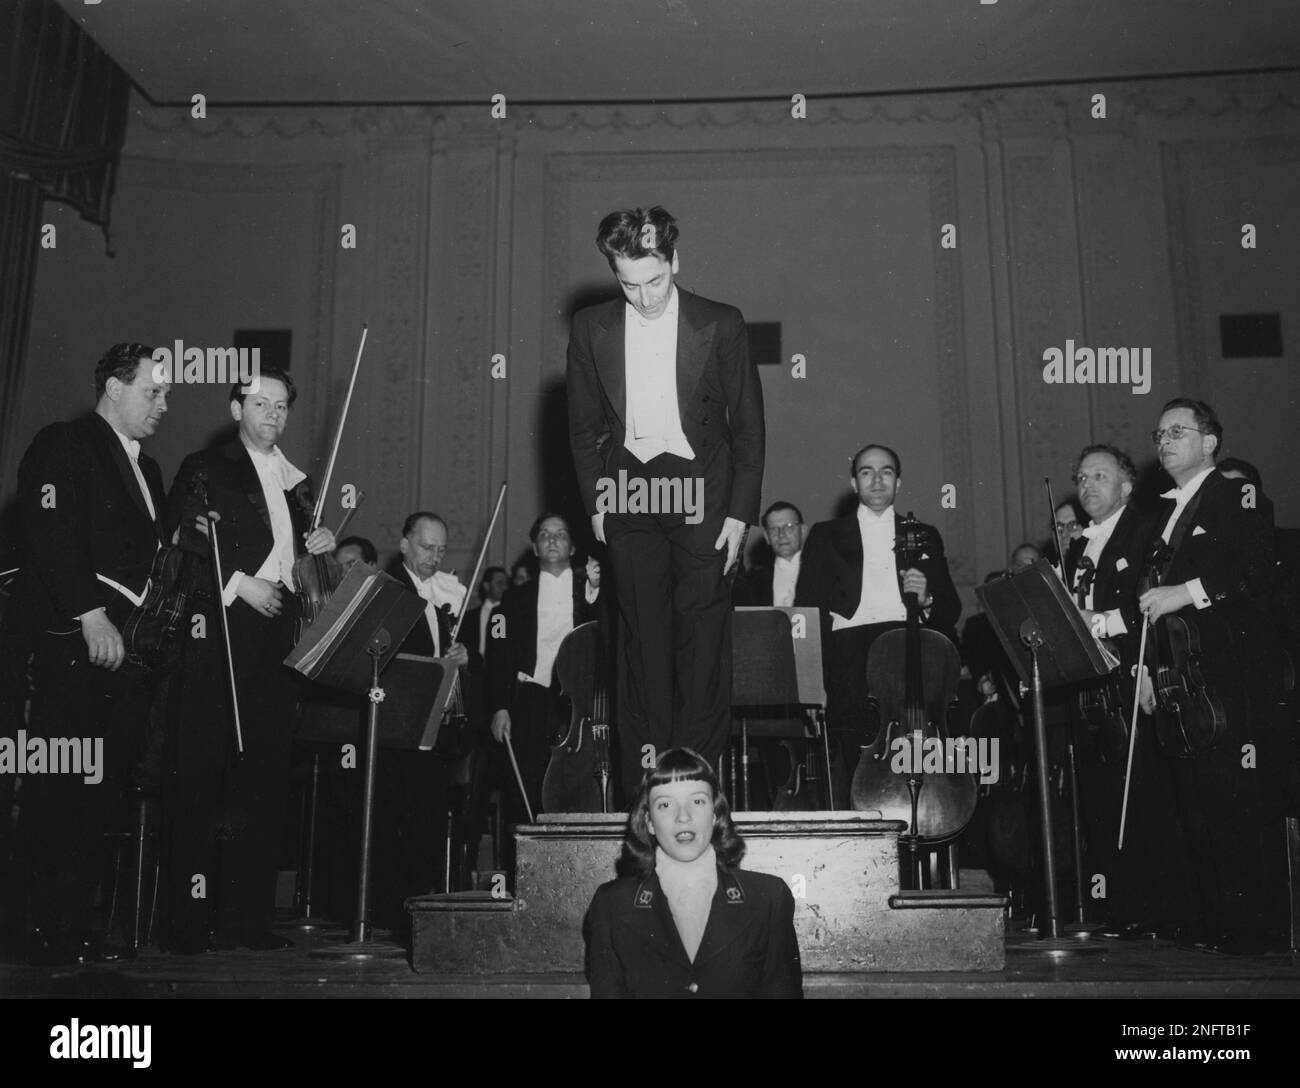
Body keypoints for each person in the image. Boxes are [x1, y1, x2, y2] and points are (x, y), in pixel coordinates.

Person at [567, 205, 765, 795]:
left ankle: (698, 787)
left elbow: (749, 427)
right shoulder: (590, 327)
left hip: (703, 490)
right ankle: (647, 789)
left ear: (674, 262)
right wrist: (597, 505)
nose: (645, 297)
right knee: (640, 643)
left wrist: (739, 514)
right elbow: (581, 430)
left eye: (655, 280)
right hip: (628, 490)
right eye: (628, 284)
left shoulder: (721, 322)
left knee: (701, 642)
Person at [162, 366, 335, 953]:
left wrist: (321, 546)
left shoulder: (299, 483)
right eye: (260, 404)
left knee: (262, 778)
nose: (272, 415)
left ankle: (246, 919)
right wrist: (239, 583)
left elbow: (305, 567)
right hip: (222, 629)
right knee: (205, 772)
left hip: (279, 636)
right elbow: (183, 536)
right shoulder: (205, 468)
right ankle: (187, 922)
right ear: (236, 409)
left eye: (282, 406)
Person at [8, 344, 169, 964]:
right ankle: (35, 933)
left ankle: (75, 926)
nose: (162, 405)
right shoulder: (66, 443)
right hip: (75, 645)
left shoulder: (148, 471)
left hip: (124, 657)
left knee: (101, 794)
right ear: (112, 389)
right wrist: (91, 613)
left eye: (167, 396)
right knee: (61, 789)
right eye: (152, 392)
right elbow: (50, 532)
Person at [1137, 398, 1285, 953]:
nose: (1165, 440)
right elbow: (1152, 605)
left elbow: (1256, 568)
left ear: (1210, 442)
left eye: (1179, 431)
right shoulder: (1167, 512)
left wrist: (1189, 592)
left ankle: (1254, 929)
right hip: (1183, 680)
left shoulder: (1233, 492)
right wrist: (1149, 672)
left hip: (1229, 674)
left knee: (1236, 798)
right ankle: (1218, 922)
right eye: (1160, 433)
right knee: (1197, 804)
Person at [1063, 444, 1190, 940]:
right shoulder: (1077, 546)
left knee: (1143, 798)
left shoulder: (1144, 530)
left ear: (1127, 486)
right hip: (1092, 687)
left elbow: (1154, 599)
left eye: (1100, 475)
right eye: (1082, 477)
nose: (1088, 485)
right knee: (1101, 796)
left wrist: (1104, 624)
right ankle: (1116, 907)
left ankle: (1156, 911)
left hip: (1133, 673)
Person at [795, 443, 960, 796]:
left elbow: (951, 610)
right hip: (848, 651)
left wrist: (927, 597)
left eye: (886, 471)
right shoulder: (825, 535)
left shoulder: (924, 534)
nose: (877, 479)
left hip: (907, 645)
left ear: (898, 483)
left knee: (916, 752)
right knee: (856, 755)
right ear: (854, 484)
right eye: (866, 472)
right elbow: (807, 611)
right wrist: (812, 684)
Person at [583, 748, 802, 998]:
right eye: (665, 804)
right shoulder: (611, 904)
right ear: (649, 822)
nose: (683, 817)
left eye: (697, 801)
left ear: (715, 814)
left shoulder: (769, 898)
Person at [371, 512, 470, 934]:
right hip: (396, 724)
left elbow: (443, 652)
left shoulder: (441, 594)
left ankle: (420, 911)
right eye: (427, 547)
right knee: (394, 821)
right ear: (406, 544)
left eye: (442, 549)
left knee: (425, 819)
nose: (435, 556)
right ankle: (390, 914)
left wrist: (462, 657)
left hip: (432, 726)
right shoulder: (387, 589)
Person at [487, 514, 604, 838]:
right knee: (526, 782)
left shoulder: (590, 587)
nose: (552, 540)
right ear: (535, 547)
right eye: (544, 534)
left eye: (560, 534)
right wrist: (500, 707)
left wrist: (595, 590)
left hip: (578, 704)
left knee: (578, 785)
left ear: (573, 546)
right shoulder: (514, 598)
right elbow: (500, 658)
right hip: (532, 697)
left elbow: (605, 634)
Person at [732, 501, 805, 607]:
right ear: (767, 537)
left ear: (802, 530)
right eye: (774, 529)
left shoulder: (823, 572)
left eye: (789, 526)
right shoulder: (752, 580)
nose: (781, 535)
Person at [464, 565, 509, 674]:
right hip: (475, 674)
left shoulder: (509, 615)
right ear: (486, 586)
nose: (504, 587)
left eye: (505, 583)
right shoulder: (469, 617)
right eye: (499, 583)